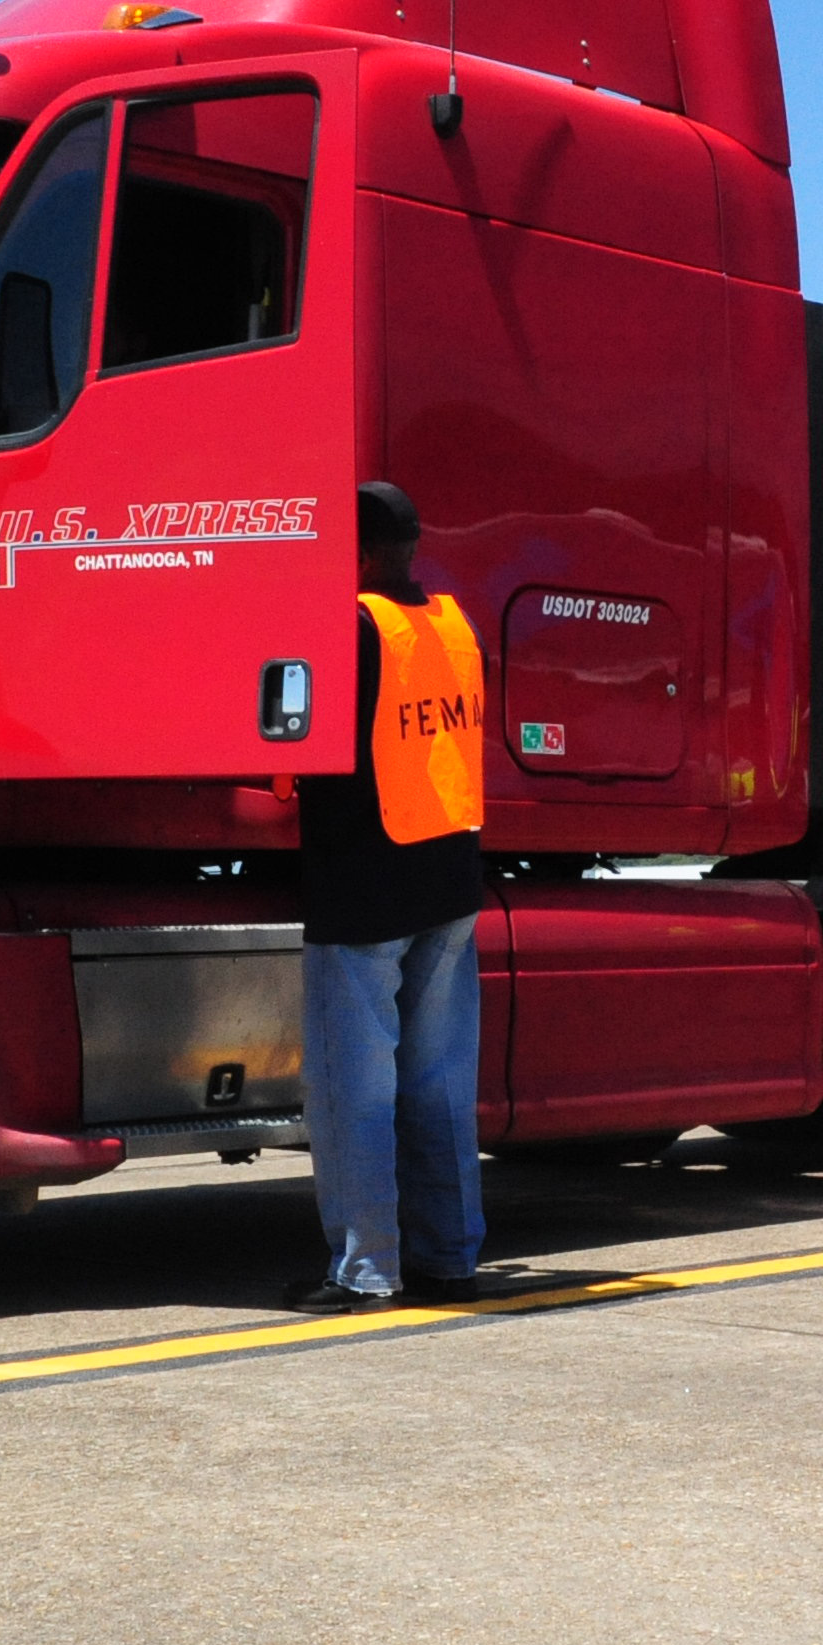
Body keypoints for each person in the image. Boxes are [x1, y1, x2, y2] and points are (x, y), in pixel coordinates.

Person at [290, 481, 491, 1311]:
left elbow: (297, 744)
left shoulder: (354, 628)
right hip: (448, 874)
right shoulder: (452, 624)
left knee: (354, 1088)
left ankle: (366, 1270)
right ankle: (450, 1259)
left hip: (364, 882)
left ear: (363, 553)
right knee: (441, 1084)